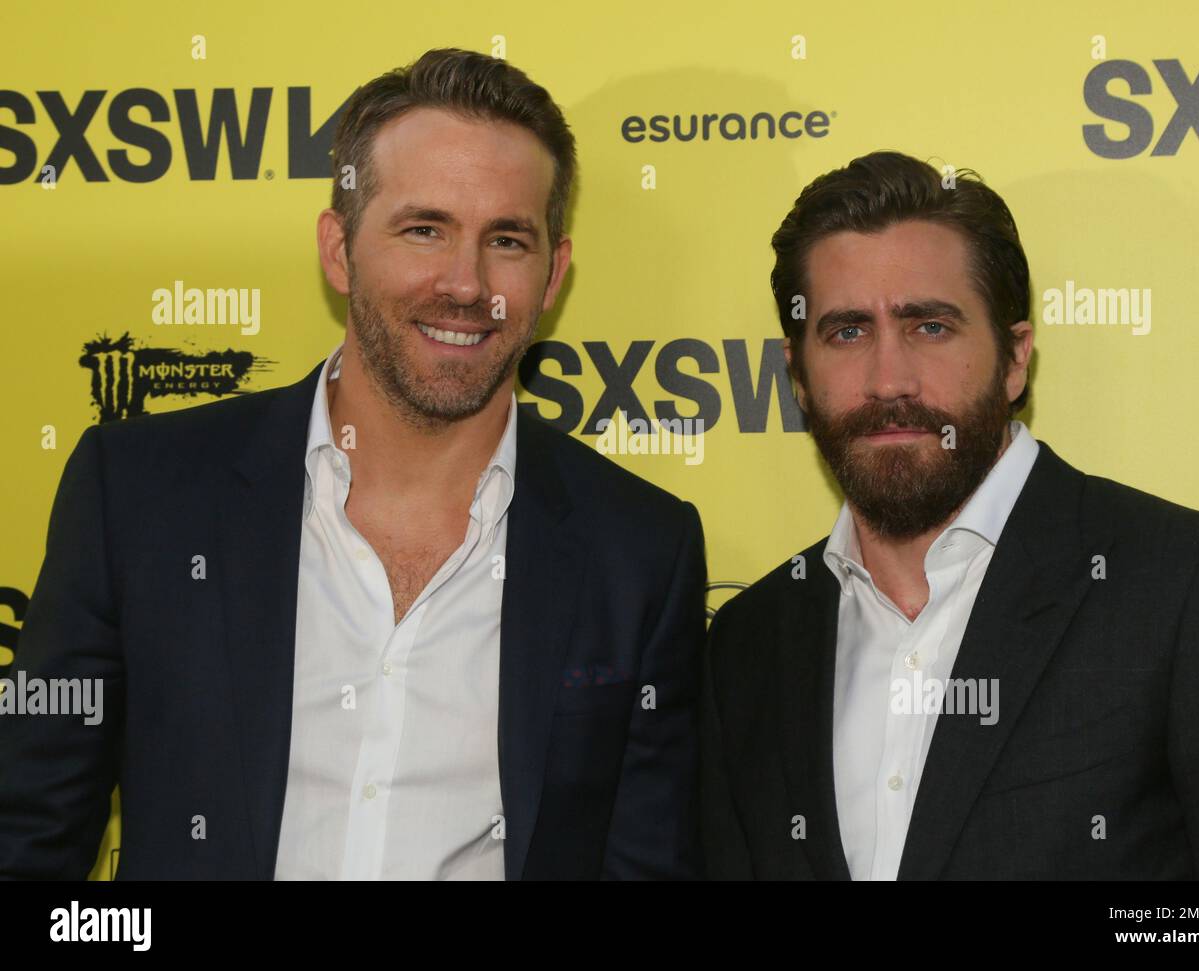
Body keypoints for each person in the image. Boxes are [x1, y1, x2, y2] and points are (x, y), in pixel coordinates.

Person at [0, 48, 705, 880]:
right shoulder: (141, 493)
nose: (465, 282)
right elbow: (26, 838)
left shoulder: (640, 549)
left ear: (553, 274)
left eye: (507, 240)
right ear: (339, 250)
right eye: (423, 229)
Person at [701, 150, 1199, 880]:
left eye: (930, 327)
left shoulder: (1188, 587)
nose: (889, 378)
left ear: (1015, 358)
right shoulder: (748, 643)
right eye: (848, 332)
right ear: (797, 375)